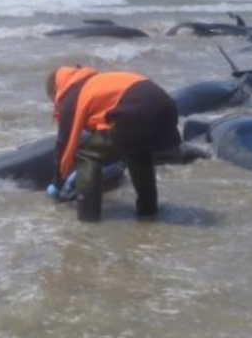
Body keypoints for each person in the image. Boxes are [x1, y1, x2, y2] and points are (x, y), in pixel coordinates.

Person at [46, 65, 183, 222]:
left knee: (87, 156)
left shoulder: (71, 97)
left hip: (137, 112)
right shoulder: (95, 82)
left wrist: (57, 182)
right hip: (167, 109)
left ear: (57, 90)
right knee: (137, 154)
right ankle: (148, 211)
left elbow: (64, 144)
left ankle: (88, 218)